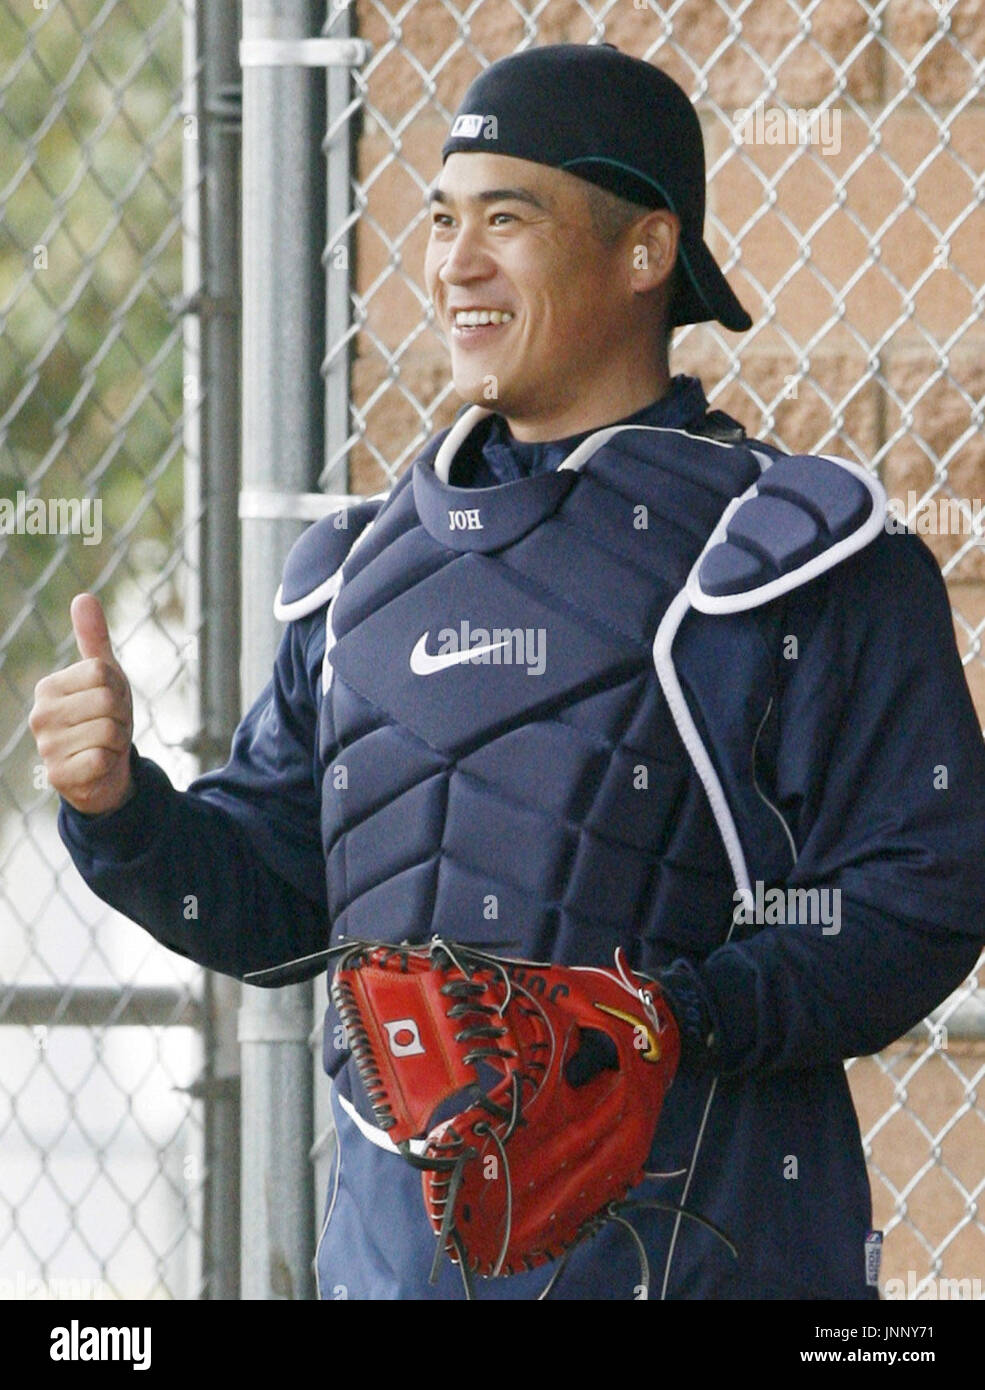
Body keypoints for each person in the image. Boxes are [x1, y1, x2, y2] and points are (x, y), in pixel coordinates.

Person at [29, 43, 985, 1300]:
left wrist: (667, 1018)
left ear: (646, 253)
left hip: (703, 1259)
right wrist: (124, 814)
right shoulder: (359, 571)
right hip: (392, 1269)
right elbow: (276, 911)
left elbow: (924, 895)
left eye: (507, 219)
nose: (454, 263)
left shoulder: (793, 558)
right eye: (438, 221)